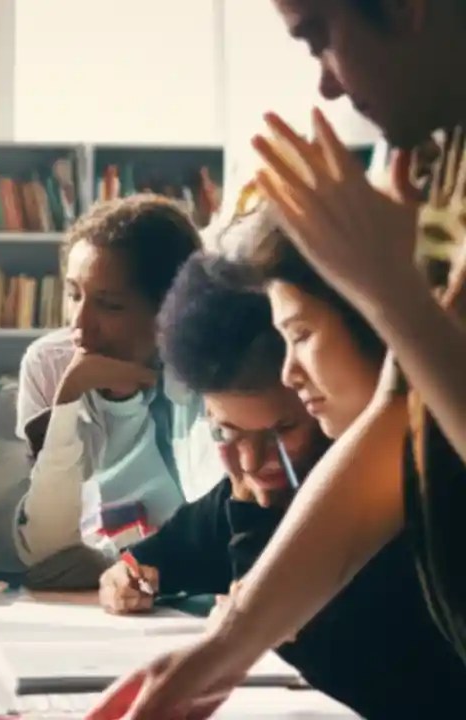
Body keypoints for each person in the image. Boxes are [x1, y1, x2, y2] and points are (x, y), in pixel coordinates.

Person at [89, 1, 466, 715]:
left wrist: (393, 298)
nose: (324, 84)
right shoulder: (444, 159)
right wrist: (220, 652)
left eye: (321, 37)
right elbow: (401, 421)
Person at [98, 248, 464, 718]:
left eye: (301, 334)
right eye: (227, 432)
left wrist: (230, 641)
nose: (292, 372)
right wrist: (223, 645)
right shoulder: (397, 444)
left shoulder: (427, 473)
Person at [14, 195, 223, 567]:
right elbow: (42, 548)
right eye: (74, 294)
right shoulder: (49, 363)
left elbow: (211, 523)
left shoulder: (201, 370)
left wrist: (116, 563)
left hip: (178, 586)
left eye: (109, 305)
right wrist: (66, 401)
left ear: (167, 308)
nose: (79, 324)